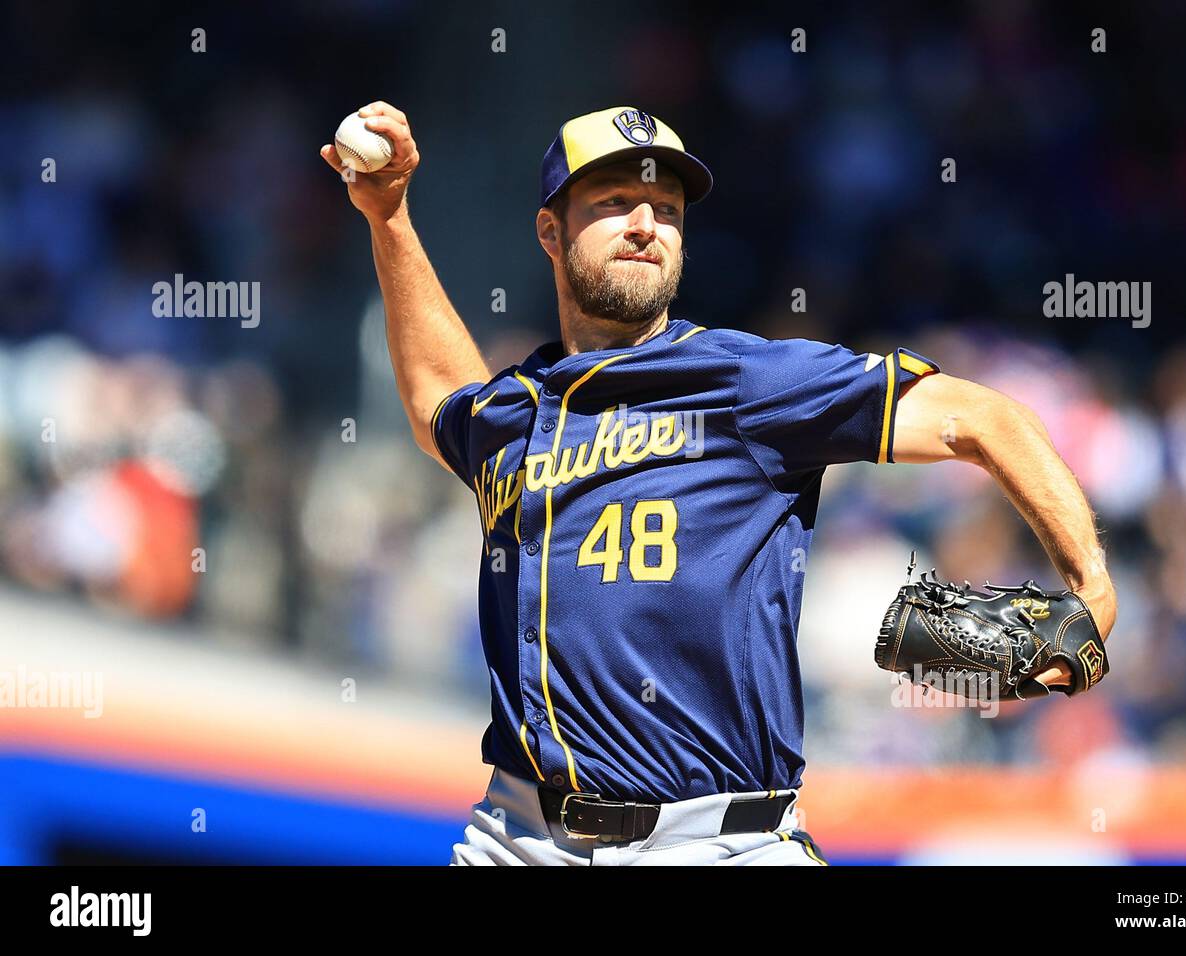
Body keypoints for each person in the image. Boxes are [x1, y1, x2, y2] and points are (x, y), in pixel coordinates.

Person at [321, 104, 1118, 866]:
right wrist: (388, 217)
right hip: (518, 837)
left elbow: (981, 420)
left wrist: (1092, 586)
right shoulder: (513, 413)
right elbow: (438, 406)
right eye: (615, 201)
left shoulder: (747, 382)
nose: (645, 225)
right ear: (550, 232)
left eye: (665, 209)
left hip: (718, 842)